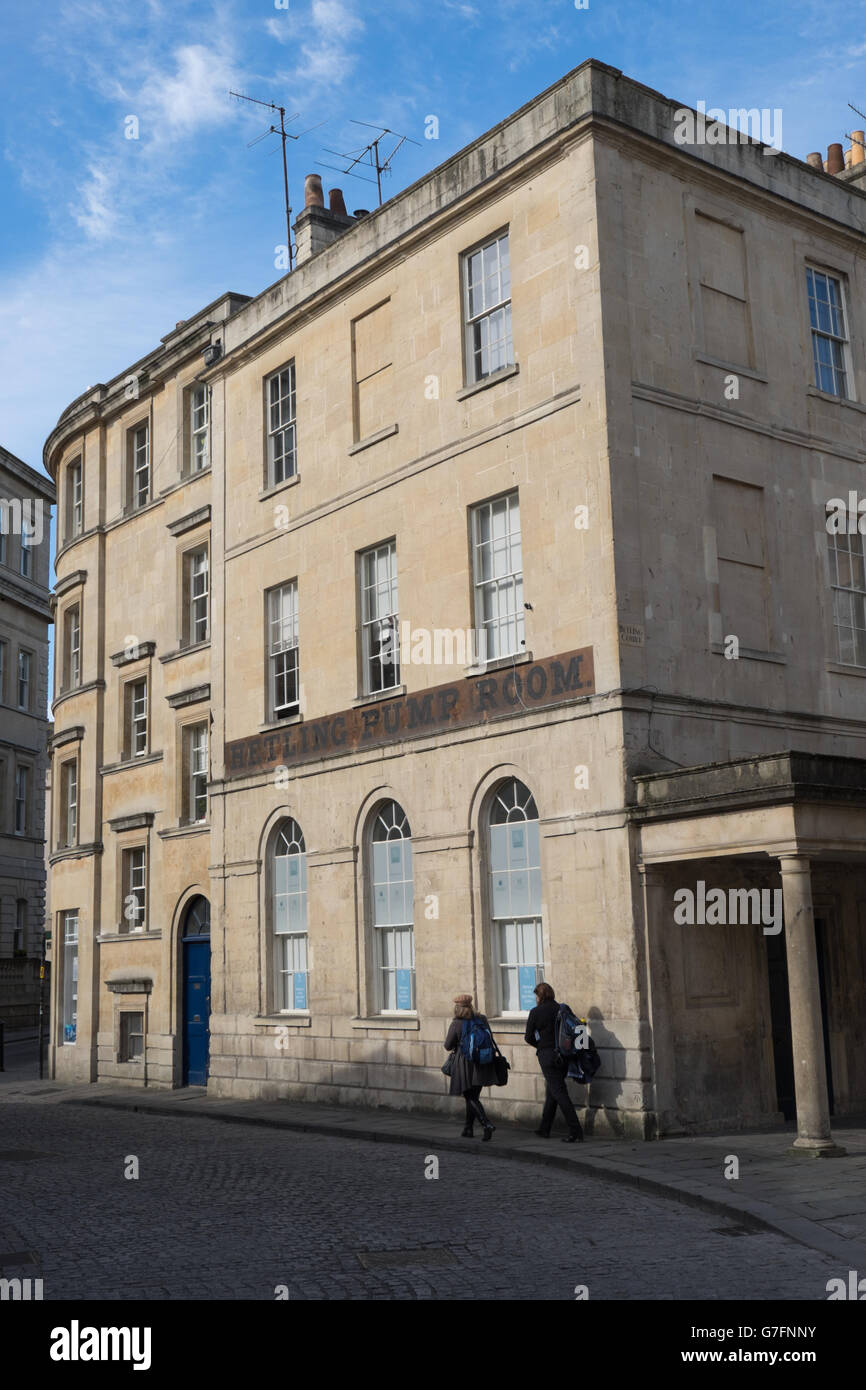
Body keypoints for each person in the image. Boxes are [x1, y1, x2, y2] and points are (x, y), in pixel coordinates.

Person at [524, 981, 584, 1142]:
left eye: (536, 995)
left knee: (559, 1092)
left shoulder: (536, 1012)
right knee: (553, 1091)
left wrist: (541, 1045)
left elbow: (528, 1037)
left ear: (539, 996)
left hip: (547, 1056)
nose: (536, 998)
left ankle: (576, 1131)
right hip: (564, 1055)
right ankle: (545, 1128)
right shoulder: (561, 1009)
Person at [444, 993, 498, 1140]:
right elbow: (490, 1038)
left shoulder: (457, 1023)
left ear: (457, 1008)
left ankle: (486, 1124)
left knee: (470, 1097)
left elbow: (447, 1046)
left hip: (465, 1063)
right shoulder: (482, 1019)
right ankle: (468, 1129)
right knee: (473, 1096)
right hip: (482, 1062)